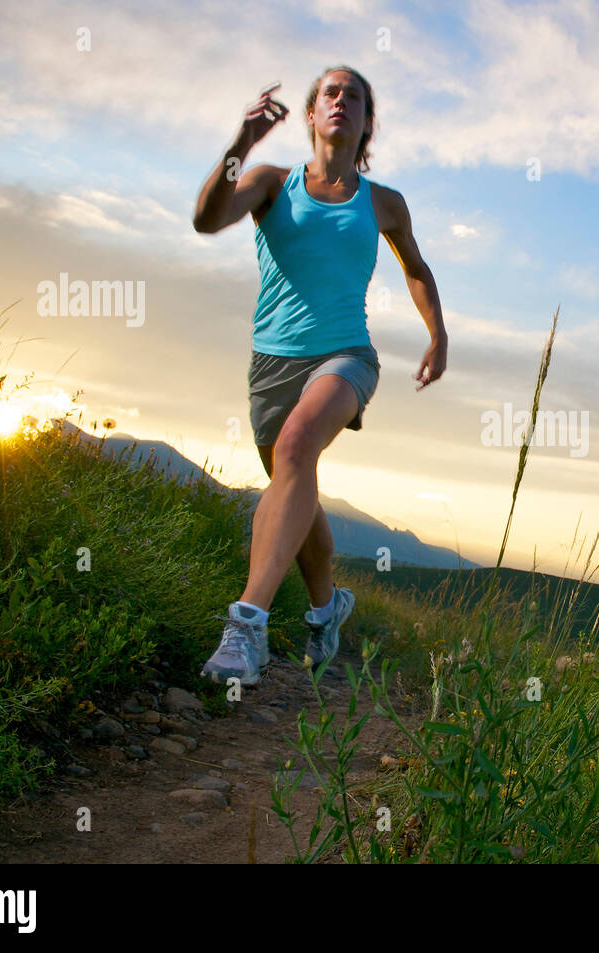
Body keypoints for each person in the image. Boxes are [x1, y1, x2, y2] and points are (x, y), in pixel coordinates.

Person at [191, 66, 446, 685]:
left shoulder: (382, 202)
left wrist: (438, 334)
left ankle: (246, 627)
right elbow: (207, 219)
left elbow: (415, 266)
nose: (340, 101)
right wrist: (239, 144)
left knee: (298, 445)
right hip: (271, 364)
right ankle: (327, 607)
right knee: (293, 493)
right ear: (311, 115)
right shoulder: (272, 183)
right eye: (330, 92)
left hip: (346, 357)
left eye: (353, 95)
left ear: (365, 122)